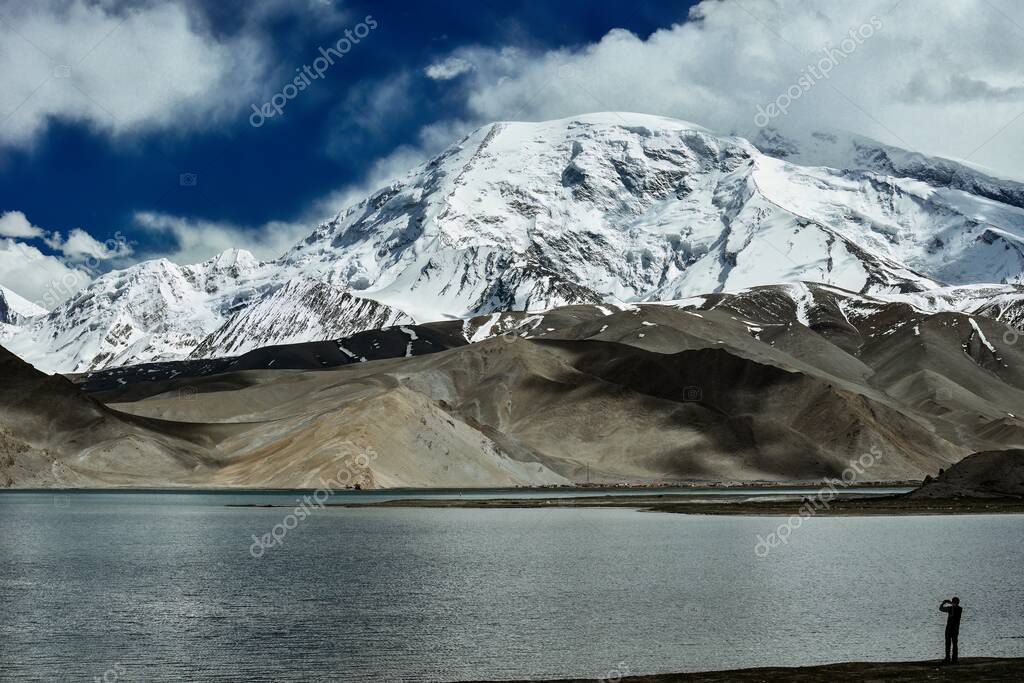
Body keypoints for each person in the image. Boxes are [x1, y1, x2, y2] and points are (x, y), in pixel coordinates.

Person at [939, 597, 963, 663]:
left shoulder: (957, 609)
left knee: (953, 644)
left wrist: (945, 603)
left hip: (951, 629)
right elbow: (940, 609)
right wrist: (946, 603)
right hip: (953, 629)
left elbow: (941, 608)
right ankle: (950, 658)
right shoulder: (957, 608)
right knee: (950, 644)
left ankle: (951, 658)